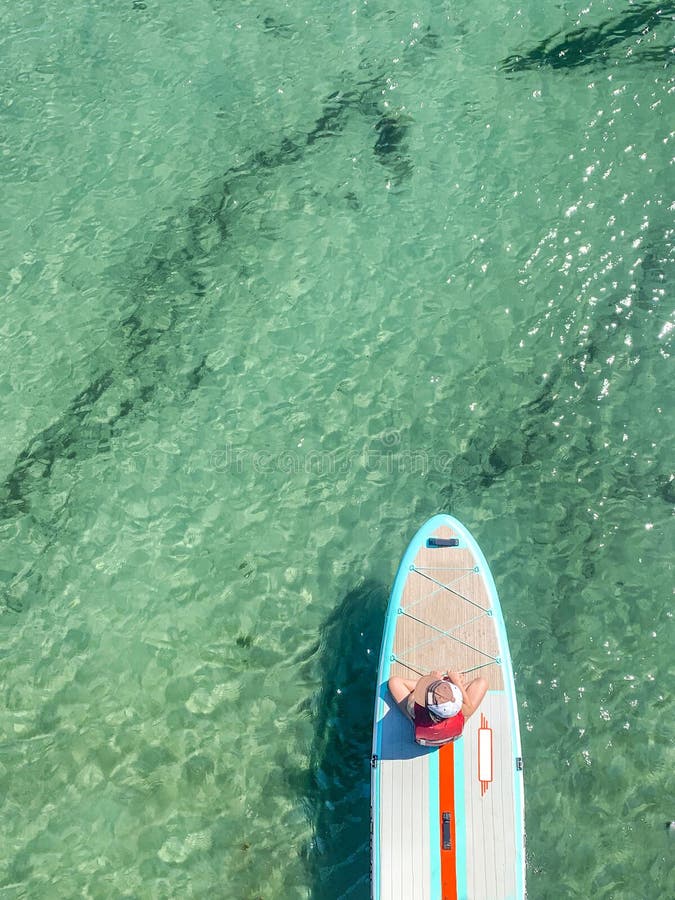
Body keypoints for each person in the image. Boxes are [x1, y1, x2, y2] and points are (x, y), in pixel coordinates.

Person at [388, 669, 488, 747]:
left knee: (394, 682)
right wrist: (457, 682)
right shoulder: (459, 708)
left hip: (425, 736)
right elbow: (468, 709)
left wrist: (431, 679)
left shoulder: (416, 710)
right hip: (451, 735)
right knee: (482, 682)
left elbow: (411, 700)